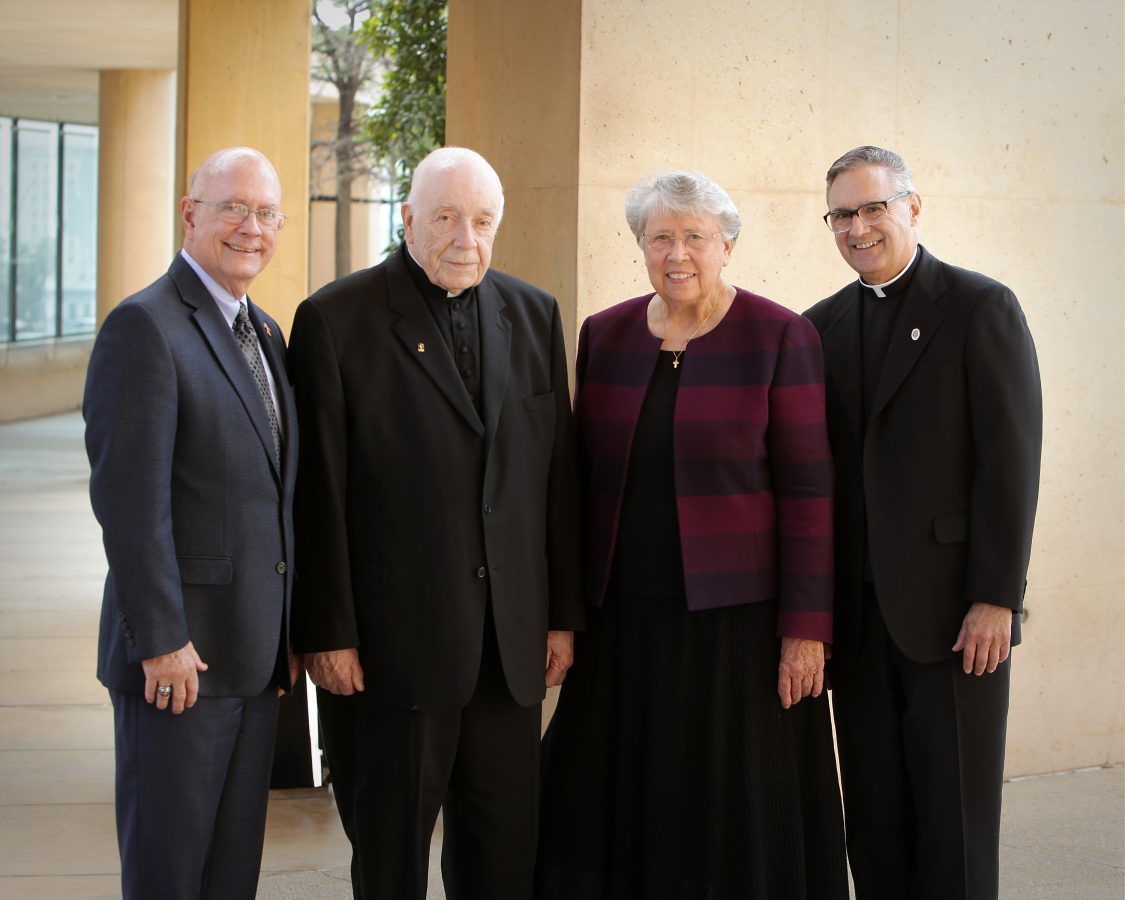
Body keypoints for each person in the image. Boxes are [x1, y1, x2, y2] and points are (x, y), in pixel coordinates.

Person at [534, 171, 848, 900]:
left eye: (695, 237)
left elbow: (810, 492)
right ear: (641, 246)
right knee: (604, 804)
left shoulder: (780, 335)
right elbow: (575, 485)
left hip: (737, 632)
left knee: (730, 811)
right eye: (660, 238)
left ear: (726, 246)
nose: (677, 254)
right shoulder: (604, 334)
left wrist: (806, 631)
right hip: (622, 624)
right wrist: (564, 613)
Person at [287, 146, 583, 900]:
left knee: (503, 865)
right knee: (390, 865)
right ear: (407, 218)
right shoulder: (333, 319)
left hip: (507, 656)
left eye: (481, 221)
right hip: (390, 656)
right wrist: (327, 632)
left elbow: (555, 481)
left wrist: (559, 617)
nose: (464, 238)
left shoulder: (535, 313)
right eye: (446, 217)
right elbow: (316, 494)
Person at [804, 145, 1043, 899]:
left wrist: (996, 598)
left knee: (955, 824)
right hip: (857, 621)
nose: (858, 228)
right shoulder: (817, 328)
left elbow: (1009, 463)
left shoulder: (980, 306)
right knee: (875, 822)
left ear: (912, 206)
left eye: (873, 207)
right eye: (841, 215)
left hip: (955, 617)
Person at [83, 146, 298, 899]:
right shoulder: (144, 326)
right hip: (179, 665)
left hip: (251, 658)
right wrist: (161, 640)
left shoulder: (264, 332)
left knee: (230, 877)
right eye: (233, 207)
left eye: (266, 213)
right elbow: (129, 504)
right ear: (190, 214)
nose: (251, 228)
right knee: (168, 877)